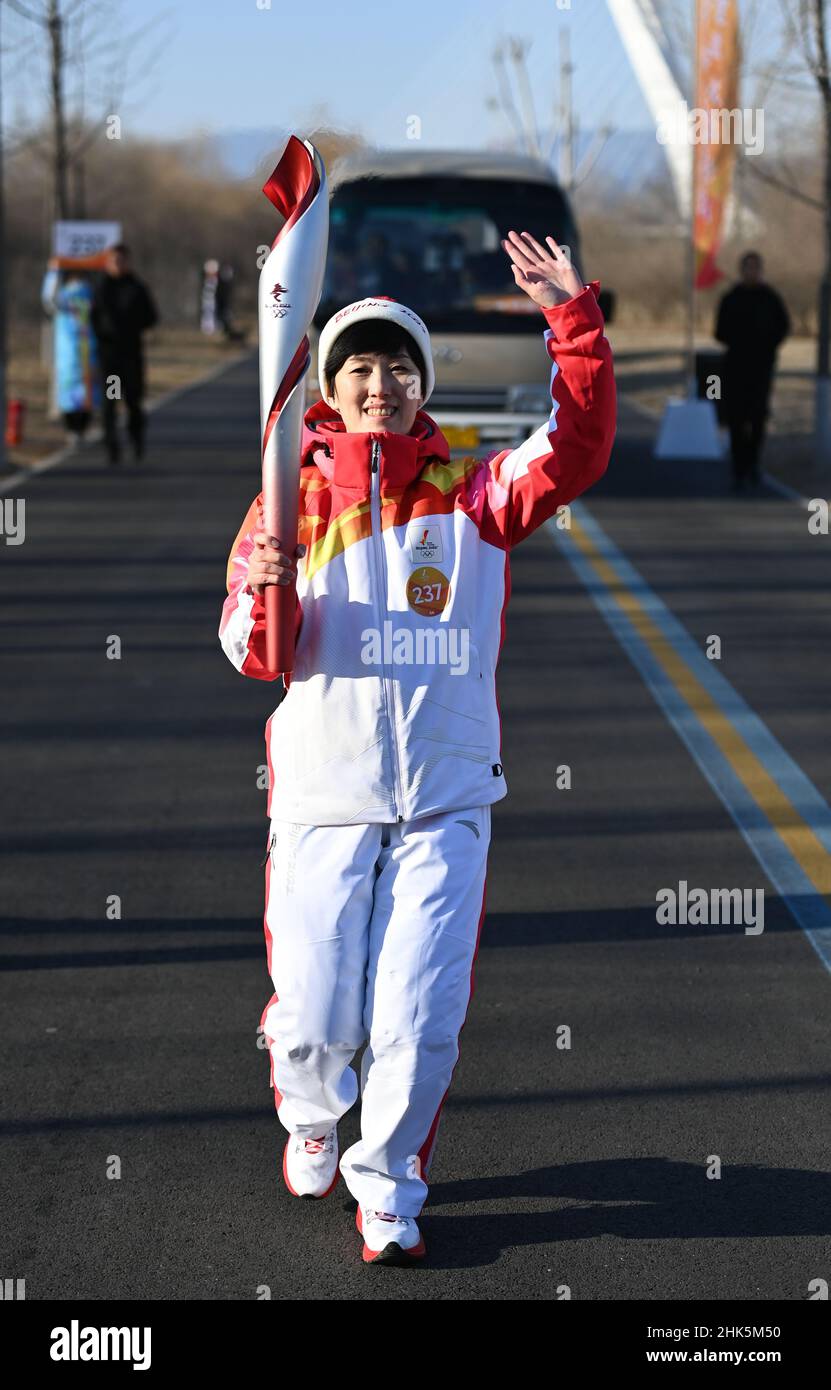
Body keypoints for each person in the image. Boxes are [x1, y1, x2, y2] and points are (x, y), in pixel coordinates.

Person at [218, 230, 616, 1265]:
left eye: (399, 367)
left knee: (421, 1010)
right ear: (333, 388)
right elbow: (260, 658)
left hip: (444, 797)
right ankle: (311, 1109)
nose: (379, 384)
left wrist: (573, 323)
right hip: (321, 795)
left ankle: (389, 1183)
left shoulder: (475, 496)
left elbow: (576, 447)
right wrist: (267, 580)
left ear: (419, 385)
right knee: (310, 1011)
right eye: (359, 367)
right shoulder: (285, 502)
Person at [714, 251, 790, 490]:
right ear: (741, 270)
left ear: (760, 270)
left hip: (761, 367)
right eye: (747, 268)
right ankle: (738, 468)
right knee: (736, 419)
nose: (751, 272)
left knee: (758, 418)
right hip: (735, 367)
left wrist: (767, 345)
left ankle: (754, 464)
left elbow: (784, 327)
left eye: (755, 268)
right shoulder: (731, 298)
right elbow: (719, 331)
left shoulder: (770, 298)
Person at [91, 243, 159, 466]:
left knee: (133, 402)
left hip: (131, 355)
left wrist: (132, 325)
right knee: (110, 403)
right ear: (108, 262)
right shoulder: (101, 288)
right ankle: (112, 446)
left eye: (122, 260)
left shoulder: (137, 287)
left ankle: (136, 441)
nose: (118, 265)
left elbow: (151, 317)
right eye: (114, 260)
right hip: (110, 357)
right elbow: (92, 318)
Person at [41, 261, 101, 448]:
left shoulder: (90, 295)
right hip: (73, 353)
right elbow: (49, 300)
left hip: (82, 352)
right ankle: (78, 429)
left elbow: (48, 298)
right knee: (76, 393)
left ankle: (79, 429)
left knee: (83, 392)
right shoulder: (67, 296)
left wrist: (53, 273)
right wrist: (53, 271)